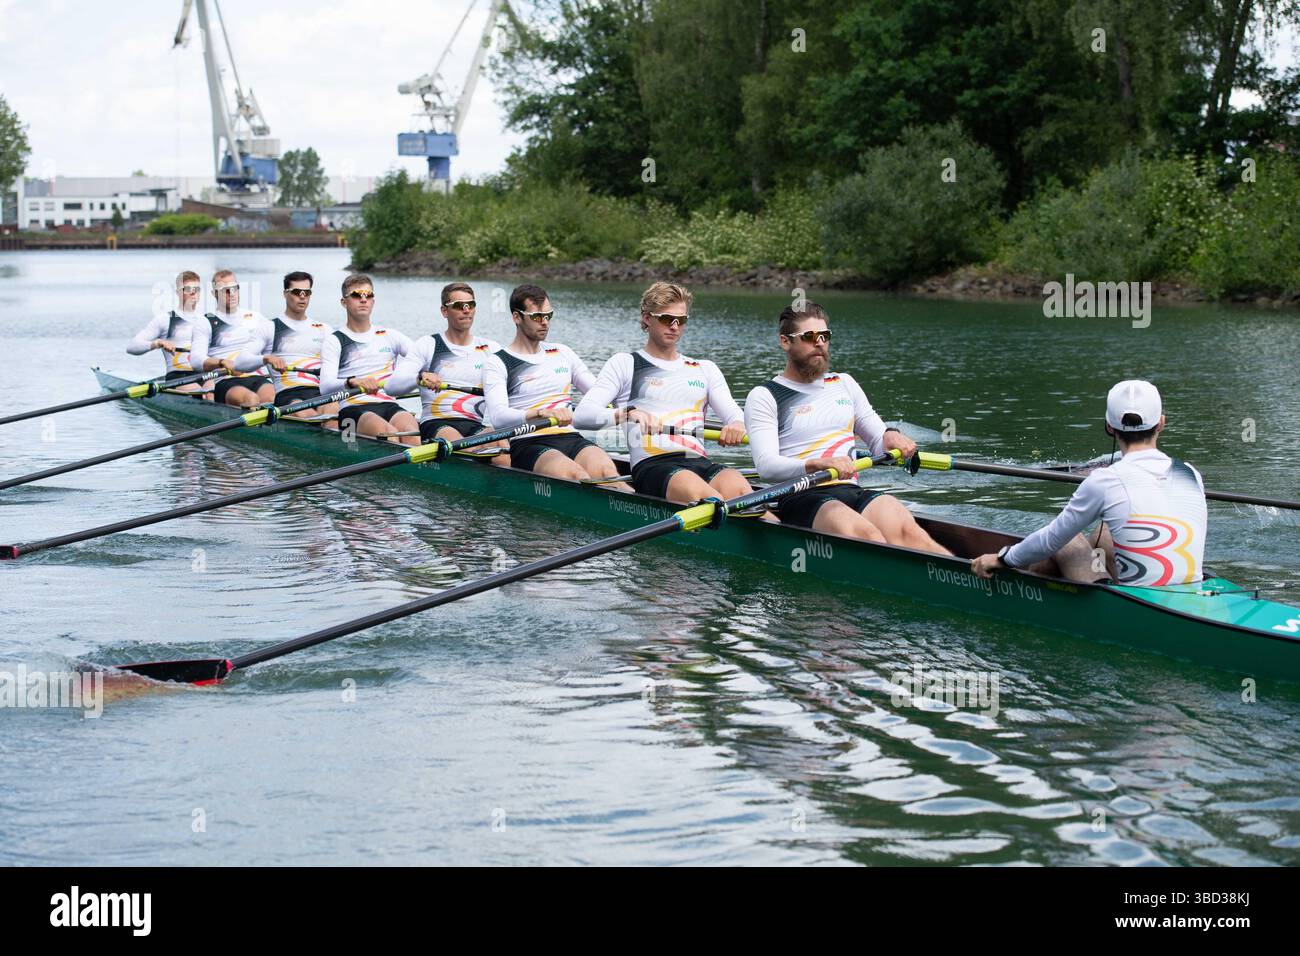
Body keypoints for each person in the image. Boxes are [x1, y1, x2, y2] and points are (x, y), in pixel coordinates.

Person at [744, 302, 951, 554]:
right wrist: (817, 464)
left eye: (824, 336)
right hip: (802, 495)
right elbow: (766, 467)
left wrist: (891, 435)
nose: (819, 342)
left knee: (911, 533)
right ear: (785, 342)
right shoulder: (766, 396)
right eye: (809, 337)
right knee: (869, 536)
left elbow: (878, 439)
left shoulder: (844, 384)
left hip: (851, 488)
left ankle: (971, 583)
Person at [972, 380, 1206, 585]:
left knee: (1067, 538)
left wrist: (1002, 558)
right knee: (1102, 536)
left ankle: (1057, 601)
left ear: (1109, 427)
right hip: (1193, 593)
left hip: (1138, 605)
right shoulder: (1190, 473)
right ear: (1162, 423)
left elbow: (1050, 540)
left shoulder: (1104, 480)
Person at [574, 281, 755, 504]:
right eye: (667, 319)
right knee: (710, 498)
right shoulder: (625, 363)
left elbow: (734, 414)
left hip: (698, 461)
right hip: (654, 466)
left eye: (682, 320)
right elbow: (582, 415)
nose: (675, 326)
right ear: (647, 318)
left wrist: (737, 424)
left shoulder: (704, 369)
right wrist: (628, 413)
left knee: (743, 494)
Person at [481, 284, 630, 489]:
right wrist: (540, 413)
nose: (545, 322)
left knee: (610, 474)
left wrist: (633, 407)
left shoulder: (562, 353)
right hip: (529, 442)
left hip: (570, 437)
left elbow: (599, 392)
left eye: (548, 315)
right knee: (577, 476)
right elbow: (498, 418)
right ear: (517, 317)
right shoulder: (498, 362)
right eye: (537, 317)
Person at [386, 282, 503, 456]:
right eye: (458, 306)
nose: (466, 310)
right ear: (444, 311)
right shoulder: (429, 345)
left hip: (474, 425)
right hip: (436, 423)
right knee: (467, 448)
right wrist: (420, 378)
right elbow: (391, 387)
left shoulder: (490, 348)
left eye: (470, 305)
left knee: (504, 449)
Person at [317, 274, 420, 445]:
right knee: (389, 433)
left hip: (388, 404)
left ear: (373, 300)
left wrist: (424, 375)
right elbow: (325, 387)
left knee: (412, 431)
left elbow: (422, 358)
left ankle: (417, 470)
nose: (363, 300)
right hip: (353, 408)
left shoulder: (390, 335)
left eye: (368, 295)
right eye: (357, 295)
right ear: (344, 302)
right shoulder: (335, 340)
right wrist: (352, 382)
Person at [232, 271, 338, 421]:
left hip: (319, 392)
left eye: (307, 292)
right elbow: (240, 362)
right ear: (285, 294)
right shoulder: (270, 327)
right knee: (309, 416)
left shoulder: (324, 329)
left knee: (334, 412)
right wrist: (266, 359)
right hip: (288, 394)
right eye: (296, 292)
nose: (302, 296)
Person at [187, 268, 276, 408]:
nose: (231, 294)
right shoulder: (205, 322)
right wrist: (222, 362)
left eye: (235, 288)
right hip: (225, 380)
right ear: (214, 293)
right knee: (251, 399)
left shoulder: (255, 318)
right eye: (225, 290)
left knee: (273, 397)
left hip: (256, 377)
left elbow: (276, 347)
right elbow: (196, 361)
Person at [126, 270, 207, 394]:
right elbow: (132, 347)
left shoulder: (206, 321)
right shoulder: (165, 320)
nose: (193, 292)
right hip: (179, 376)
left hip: (206, 374)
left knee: (218, 389)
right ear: (178, 292)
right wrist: (157, 343)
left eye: (197, 289)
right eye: (188, 289)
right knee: (205, 393)